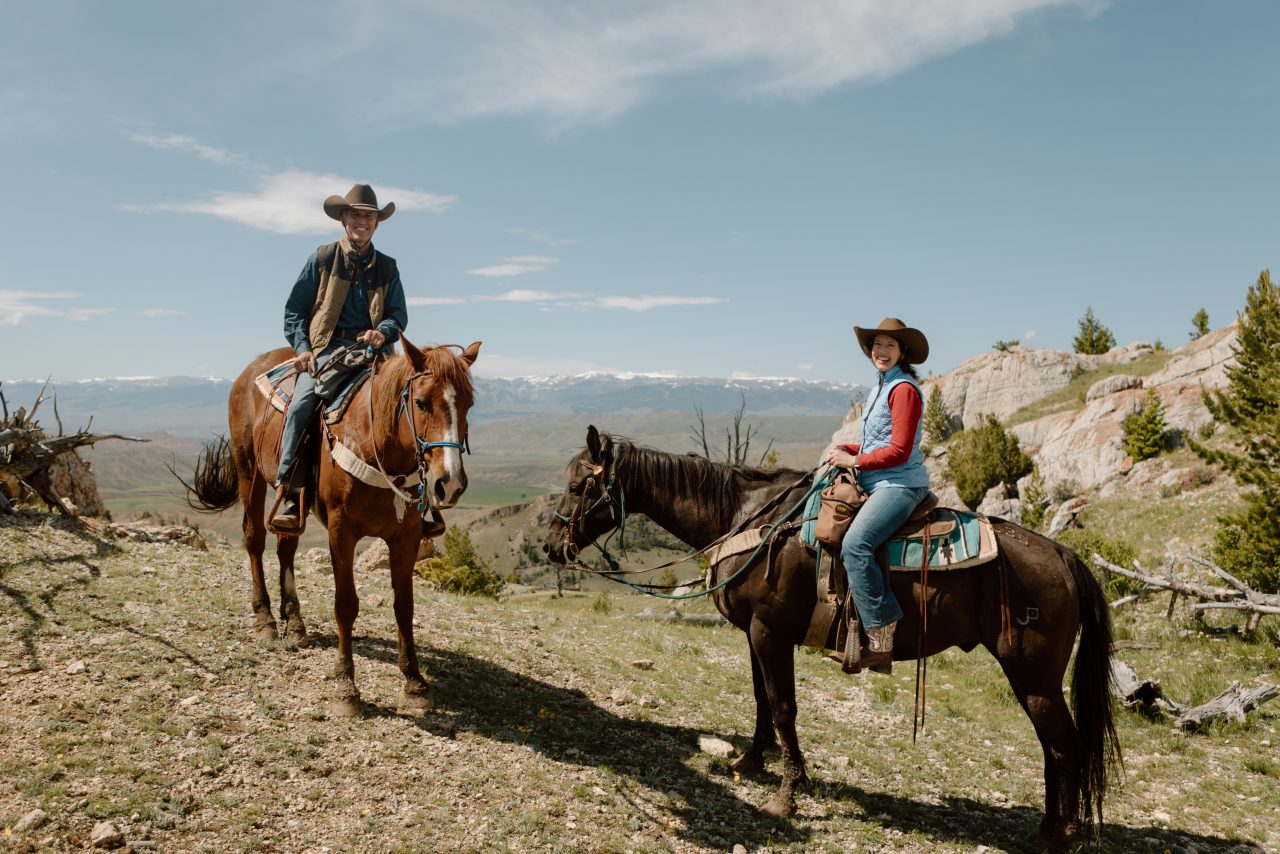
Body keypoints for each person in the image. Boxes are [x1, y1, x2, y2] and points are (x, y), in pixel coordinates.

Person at [272, 183, 409, 528]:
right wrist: (303, 349)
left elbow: (398, 314)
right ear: (344, 219)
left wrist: (384, 331)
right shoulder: (322, 258)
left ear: (376, 223)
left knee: (414, 402)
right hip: (329, 350)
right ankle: (290, 491)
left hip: (375, 352)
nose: (362, 221)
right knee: (303, 403)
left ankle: (421, 496)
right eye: (356, 215)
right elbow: (294, 311)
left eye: (369, 216)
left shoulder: (388, 267)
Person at [824, 317, 931, 673]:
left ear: (903, 353)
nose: (880, 351)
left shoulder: (904, 390)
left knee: (856, 545)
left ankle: (881, 642)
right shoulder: (879, 389)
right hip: (876, 481)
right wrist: (849, 446)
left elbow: (900, 450)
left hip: (900, 485)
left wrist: (854, 459)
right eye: (877, 345)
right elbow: (877, 442)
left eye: (889, 345)